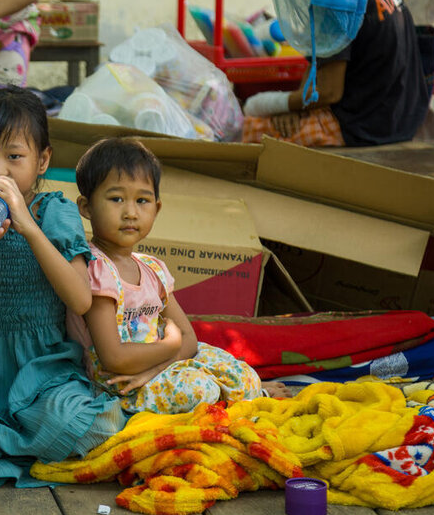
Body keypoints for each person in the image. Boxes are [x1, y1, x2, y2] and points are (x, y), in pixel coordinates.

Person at [0, 87, 126, 487]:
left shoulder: (53, 211)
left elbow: (80, 297)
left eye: (14, 157)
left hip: (43, 363)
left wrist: (28, 226)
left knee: (88, 424)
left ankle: (13, 444)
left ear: (43, 161)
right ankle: (8, 447)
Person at [69, 137, 287, 413]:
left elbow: (190, 338)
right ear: (86, 207)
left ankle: (246, 394)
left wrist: (161, 363)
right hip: (123, 385)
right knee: (200, 389)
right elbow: (115, 358)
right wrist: (171, 345)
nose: (131, 213)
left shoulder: (152, 268)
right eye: (116, 199)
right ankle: (234, 401)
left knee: (240, 372)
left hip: (158, 367)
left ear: (156, 208)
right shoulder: (97, 269)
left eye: (142, 200)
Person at [242, 0, 432, 147]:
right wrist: (298, 106)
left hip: (364, 127)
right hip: (400, 121)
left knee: (247, 131)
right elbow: (320, 69)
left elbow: (327, 91)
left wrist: (262, 104)